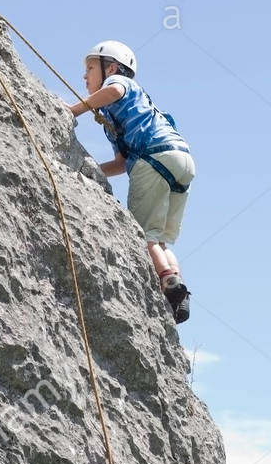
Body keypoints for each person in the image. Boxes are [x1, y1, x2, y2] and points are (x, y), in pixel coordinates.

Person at [69, 41, 195, 324]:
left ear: (110, 68)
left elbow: (113, 90)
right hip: (179, 161)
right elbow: (119, 163)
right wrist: (88, 169)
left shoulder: (119, 84)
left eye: (90, 68)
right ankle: (177, 288)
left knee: (143, 236)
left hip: (153, 157)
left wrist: (74, 110)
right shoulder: (114, 121)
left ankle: (168, 282)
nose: (84, 76)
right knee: (159, 240)